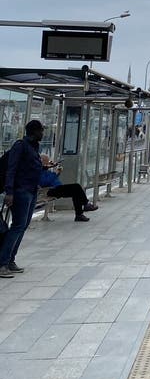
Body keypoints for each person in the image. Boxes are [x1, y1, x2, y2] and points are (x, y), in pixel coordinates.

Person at [0, 119, 44, 278]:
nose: (42, 133)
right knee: (18, 225)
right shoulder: (20, 146)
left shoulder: (33, 147)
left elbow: (31, 168)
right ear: (34, 131)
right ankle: (2, 263)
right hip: (20, 191)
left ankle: (10, 259)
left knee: (23, 225)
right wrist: (9, 192)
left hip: (31, 191)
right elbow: (11, 169)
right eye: (40, 130)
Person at [39, 155, 98, 222]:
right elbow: (44, 182)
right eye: (46, 162)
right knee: (76, 187)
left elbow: (51, 178)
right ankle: (85, 204)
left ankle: (79, 215)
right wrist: (55, 173)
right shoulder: (39, 170)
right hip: (50, 190)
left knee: (76, 193)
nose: (48, 163)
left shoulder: (45, 169)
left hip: (56, 188)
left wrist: (57, 171)